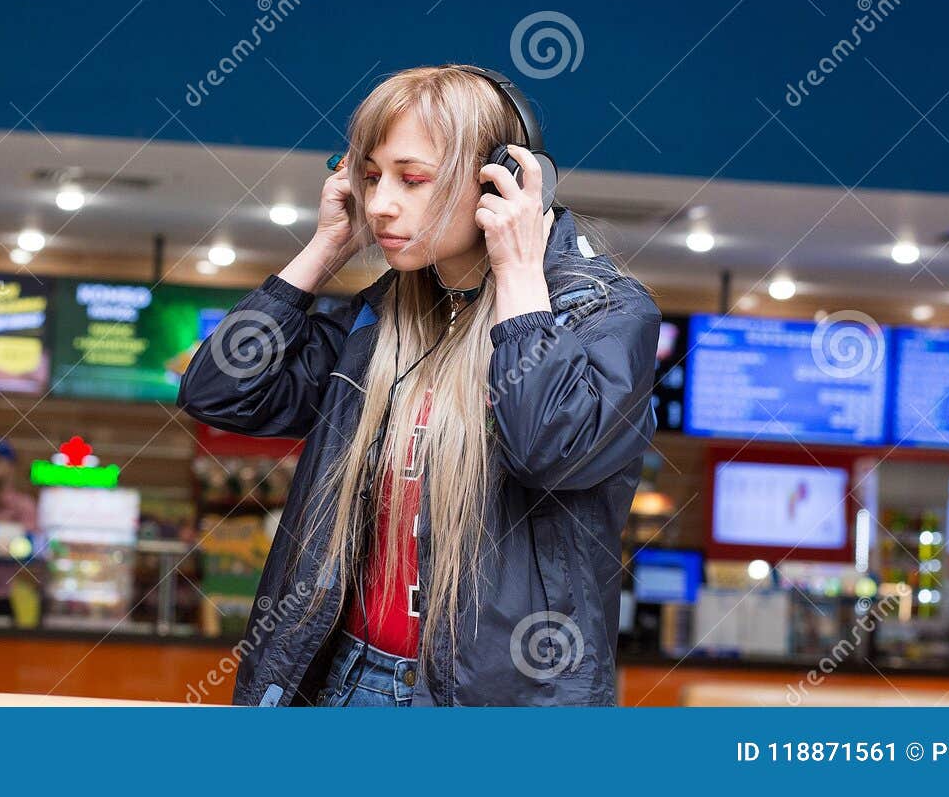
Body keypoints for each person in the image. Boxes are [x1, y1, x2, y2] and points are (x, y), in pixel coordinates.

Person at [178, 64, 661, 706]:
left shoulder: (604, 315)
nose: (380, 204)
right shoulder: (378, 319)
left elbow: (547, 447)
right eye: (370, 176)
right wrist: (325, 249)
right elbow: (218, 391)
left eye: (412, 178)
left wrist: (518, 273)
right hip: (344, 683)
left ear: (502, 181)